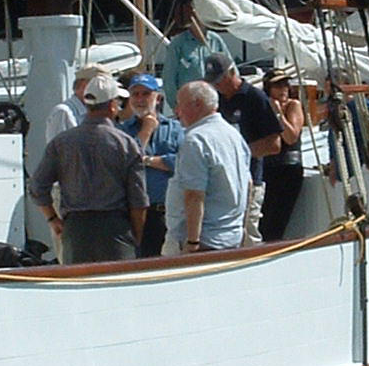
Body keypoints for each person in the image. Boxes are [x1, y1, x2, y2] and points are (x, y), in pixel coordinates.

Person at [27, 71, 147, 264]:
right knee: (116, 281)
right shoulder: (126, 143)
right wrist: (136, 237)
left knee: (77, 281)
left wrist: (52, 219)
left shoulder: (62, 142)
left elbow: (37, 187)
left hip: (75, 230)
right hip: (115, 228)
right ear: (112, 105)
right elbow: (138, 200)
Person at [164, 80, 250, 255]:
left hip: (203, 241)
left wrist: (192, 242)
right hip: (231, 237)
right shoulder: (233, 135)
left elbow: (194, 195)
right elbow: (248, 184)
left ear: (197, 105)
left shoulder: (195, 140)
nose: (177, 111)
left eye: (179, 105)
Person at [203, 51, 280, 245]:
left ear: (231, 73)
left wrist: (236, 152)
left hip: (250, 179)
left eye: (220, 80)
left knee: (249, 233)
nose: (217, 86)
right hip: (221, 183)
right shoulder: (215, 100)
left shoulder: (255, 98)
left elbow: (274, 144)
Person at [121, 73, 183, 257]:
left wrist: (147, 160)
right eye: (135, 94)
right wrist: (146, 130)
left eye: (146, 94)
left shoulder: (174, 129)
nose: (140, 99)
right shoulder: (122, 131)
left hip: (166, 213)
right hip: (133, 215)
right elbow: (126, 162)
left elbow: (181, 162)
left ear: (158, 98)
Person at [258, 65, 307, 242]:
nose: (283, 89)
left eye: (285, 85)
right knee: (262, 219)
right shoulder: (262, 108)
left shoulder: (293, 105)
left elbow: (291, 137)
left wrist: (278, 114)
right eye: (278, 86)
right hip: (267, 169)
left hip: (288, 169)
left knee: (277, 220)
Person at [161, 9, 228, 97]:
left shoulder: (216, 40)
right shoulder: (178, 44)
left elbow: (229, 69)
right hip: (188, 100)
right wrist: (176, 103)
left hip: (213, 98)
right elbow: (169, 78)